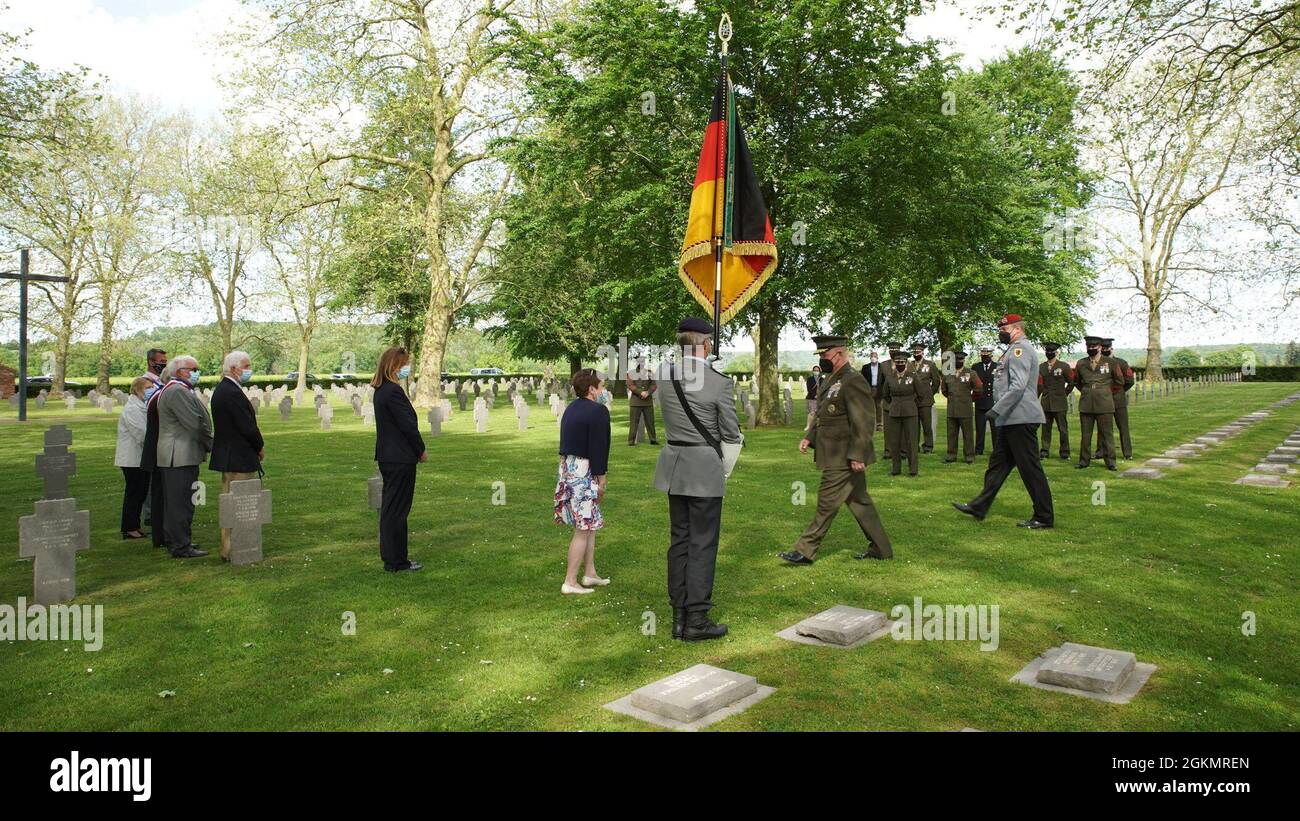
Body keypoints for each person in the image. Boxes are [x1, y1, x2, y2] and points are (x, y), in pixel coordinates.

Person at [653, 317, 742, 642]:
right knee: (702, 544)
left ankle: (678, 616)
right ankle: (697, 619)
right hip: (704, 468)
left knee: (680, 541)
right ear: (705, 346)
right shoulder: (718, 381)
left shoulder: (664, 375)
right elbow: (731, 434)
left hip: (675, 466)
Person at [780, 334, 892, 564]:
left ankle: (805, 550)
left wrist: (858, 454)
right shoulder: (833, 379)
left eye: (825, 354)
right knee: (860, 503)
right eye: (820, 355)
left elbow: (864, 421)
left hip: (843, 455)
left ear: (839, 353)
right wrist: (809, 437)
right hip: (834, 451)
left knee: (826, 502)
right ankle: (882, 549)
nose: (822, 359)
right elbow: (824, 413)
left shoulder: (853, 380)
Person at [953, 315, 1054, 528]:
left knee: (1030, 468)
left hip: (1020, 417)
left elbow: (1017, 386)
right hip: (1011, 418)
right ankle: (979, 506)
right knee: (997, 466)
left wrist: (995, 411)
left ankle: (1044, 517)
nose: (1001, 332)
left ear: (1016, 329)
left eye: (1004, 328)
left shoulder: (1020, 350)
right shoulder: (1012, 350)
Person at [555, 368, 612, 594]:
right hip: (584, 473)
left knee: (589, 526)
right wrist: (602, 479)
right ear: (591, 389)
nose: (603, 390)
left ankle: (590, 573)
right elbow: (599, 447)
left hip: (568, 470)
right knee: (583, 528)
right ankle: (570, 581)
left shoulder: (571, 408)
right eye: (602, 386)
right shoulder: (598, 411)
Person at [372, 347, 426, 572]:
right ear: (395, 366)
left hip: (389, 456)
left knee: (390, 509)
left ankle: (392, 557)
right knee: (397, 510)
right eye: (405, 364)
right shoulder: (392, 391)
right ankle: (396, 561)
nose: (408, 368)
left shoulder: (381, 390)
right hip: (400, 458)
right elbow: (407, 426)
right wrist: (420, 449)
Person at [209, 351, 265, 562]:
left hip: (232, 454)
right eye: (246, 365)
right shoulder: (230, 391)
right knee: (239, 504)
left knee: (232, 501)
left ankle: (230, 546)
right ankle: (235, 547)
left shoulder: (226, 389)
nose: (249, 369)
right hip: (237, 456)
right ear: (233, 368)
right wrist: (259, 445)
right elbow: (246, 426)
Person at [156, 356, 212, 558]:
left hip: (178, 454)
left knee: (178, 502)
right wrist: (210, 443)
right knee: (181, 503)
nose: (197, 372)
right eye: (193, 369)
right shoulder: (177, 391)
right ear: (180, 371)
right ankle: (181, 545)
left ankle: (177, 540)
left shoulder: (177, 389)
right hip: (179, 455)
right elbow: (194, 424)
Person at [1074, 335, 1123, 470]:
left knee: (1107, 435)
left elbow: (1119, 381)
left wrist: (1105, 391)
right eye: (1088, 347)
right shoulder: (1081, 363)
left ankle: (1111, 462)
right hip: (1086, 404)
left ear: (1100, 347)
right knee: (1086, 435)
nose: (1091, 349)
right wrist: (1087, 390)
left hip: (1105, 404)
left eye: (1093, 347)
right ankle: (1084, 461)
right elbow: (1077, 381)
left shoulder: (1111, 363)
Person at [114, 377, 151, 540]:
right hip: (132, 458)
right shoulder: (132, 409)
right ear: (137, 389)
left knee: (140, 492)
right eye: (147, 387)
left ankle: (134, 525)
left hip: (140, 458)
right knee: (134, 493)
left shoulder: (141, 406)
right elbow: (141, 434)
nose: (150, 390)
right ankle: (129, 528)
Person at [882, 349, 925, 476]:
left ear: (906, 363)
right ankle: (896, 469)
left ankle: (913, 469)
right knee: (894, 441)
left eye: (902, 362)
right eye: (897, 362)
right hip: (894, 412)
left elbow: (921, 394)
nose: (900, 364)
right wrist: (895, 404)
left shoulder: (913, 376)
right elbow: (886, 395)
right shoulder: (890, 378)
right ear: (894, 363)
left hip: (910, 412)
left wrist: (911, 404)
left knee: (911, 441)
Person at [140, 347, 167, 527]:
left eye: (165, 362)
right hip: (152, 437)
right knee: (151, 480)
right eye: (161, 362)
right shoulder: (145, 383)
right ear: (151, 362)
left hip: (164, 437)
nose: (164, 364)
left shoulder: (163, 382)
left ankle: (159, 512)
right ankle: (150, 515)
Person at [941, 350, 982, 464]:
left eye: (960, 359)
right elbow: (944, 390)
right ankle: (951, 454)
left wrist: (969, 399)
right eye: (956, 359)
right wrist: (953, 399)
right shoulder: (947, 374)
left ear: (964, 360)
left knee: (968, 434)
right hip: (952, 409)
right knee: (951, 433)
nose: (958, 361)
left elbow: (978, 389)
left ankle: (969, 455)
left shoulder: (971, 373)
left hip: (965, 409)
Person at [1037, 343, 1074, 460]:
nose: (1049, 353)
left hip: (1059, 402)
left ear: (1056, 352)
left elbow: (1071, 382)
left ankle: (1065, 452)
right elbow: (1039, 384)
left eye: (1051, 351)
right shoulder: (1041, 367)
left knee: (1062, 429)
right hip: (1046, 402)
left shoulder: (1064, 366)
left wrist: (1064, 393)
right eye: (1047, 351)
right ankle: (1044, 451)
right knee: (1045, 428)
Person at [1101, 338, 1135, 459]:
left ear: (1111, 348)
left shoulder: (1121, 363)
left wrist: (1119, 391)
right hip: (1103, 400)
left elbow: (1130, 381)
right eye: (1103, 348)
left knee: (1123, 427)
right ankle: (1101, 451)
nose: (1105, 350)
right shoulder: (1099, 363)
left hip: (1118, 400)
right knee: (1103, 428)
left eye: (1107, 348)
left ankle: (1127, 453)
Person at [910, 342, 941, 453]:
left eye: (918, 352)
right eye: (914, 352)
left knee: (926, 424)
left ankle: (928, 446)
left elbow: (936, 381)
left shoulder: (930, 365)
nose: (916, 354)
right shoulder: (910, 365)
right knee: (914, 425)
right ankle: (914, 446)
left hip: (925, 400)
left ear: (923, 352)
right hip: (913, 400)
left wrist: (929, 393)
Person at [624, 355, 658, 445]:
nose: (641, 363)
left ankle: (653, 439)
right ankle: (631, 441)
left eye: (643, 361)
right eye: (639, 361)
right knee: (634, 422)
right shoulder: (631, 373)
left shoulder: (650, 372)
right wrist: (640, 392)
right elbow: (630, 385)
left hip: (648, 401)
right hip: (636, 401)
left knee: (650, 421)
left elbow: (654, 384)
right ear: (636, 362)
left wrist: (648, 392)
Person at [972, 345, 997, 455]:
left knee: (995, 430)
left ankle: (996, 449)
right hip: (980, 402)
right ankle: (978, 449)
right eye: (983, 355)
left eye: (987, 356)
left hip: (993, 402)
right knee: (980, 429)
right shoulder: (975, 367)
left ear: (991, 355)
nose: (985, 357)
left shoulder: (997, 367)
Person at [881, 341, 904, 457]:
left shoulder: (907, 364)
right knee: (888, 428)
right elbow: (880, 383)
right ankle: (888, 451)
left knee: (903, 428)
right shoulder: (883, 365)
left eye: (896, 350)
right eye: (891, 350)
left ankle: (902, 451)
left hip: (903, 402)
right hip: (888, 402)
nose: (893, 352)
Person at [860, 350, 884, 431]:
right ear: (870, 358)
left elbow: (884, 379)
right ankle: (870, 424)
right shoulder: (865, 367)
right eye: (872, 357)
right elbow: (862, 379)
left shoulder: (882, 366)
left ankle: (879, 424)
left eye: (875, 356)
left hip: (879, 389)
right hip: (869, 389)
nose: (873, 358)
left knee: (879, 406)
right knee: (869, 407)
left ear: (877, 357)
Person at [804, 364, 821, 429]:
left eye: (817, 370)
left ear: (819, 371)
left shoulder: (821, 379)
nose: (816, 371)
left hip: (820, 398)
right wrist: (815, 395)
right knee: (811, 412)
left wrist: (819, 395)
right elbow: (809, 389)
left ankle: (816, 426)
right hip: (811, 398)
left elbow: (822, 388)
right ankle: (808, 426)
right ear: (813, 371)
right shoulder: (810, 379)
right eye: (815, 370)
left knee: (818, 412)